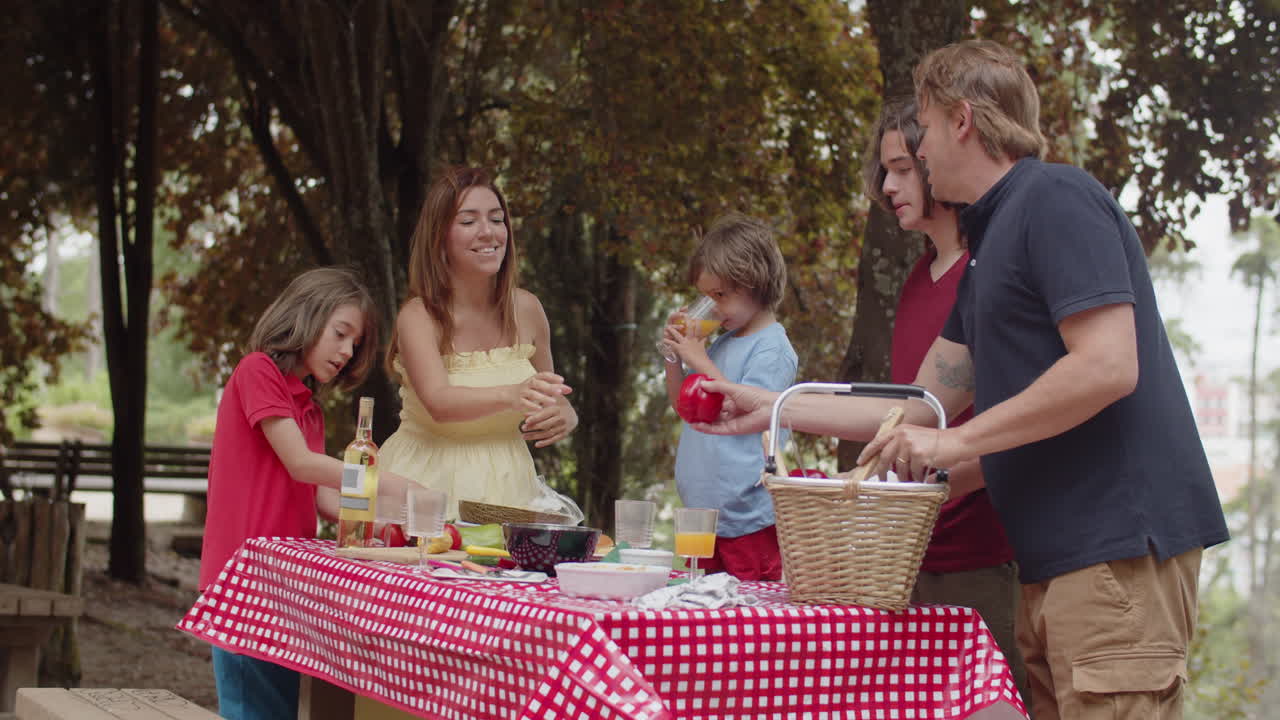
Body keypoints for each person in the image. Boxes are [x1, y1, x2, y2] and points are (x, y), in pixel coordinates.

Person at [696, 39, 1228, 719]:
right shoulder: (991, 247)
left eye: (924, 128)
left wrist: (956, 446)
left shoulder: (1055, 197)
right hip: (1055, 563)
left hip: (1116, 551)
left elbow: (1107, 364)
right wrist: (770, 407)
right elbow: (918, 409)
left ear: (962, 120)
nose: (918, 155)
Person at [864, 96, 1027, 704]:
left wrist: (941, 478)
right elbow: (906, 411)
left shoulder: (993, 272)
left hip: (983, 558)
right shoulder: (917, 278)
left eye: (904, 167)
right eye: (885, 170)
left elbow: (1023, 423)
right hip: (906, 556)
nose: (887, 185)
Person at [199, 266, 409, 720]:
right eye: (340, 333)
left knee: (277, 711)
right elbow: (302, 463)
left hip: (283, 586)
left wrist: (392, 521)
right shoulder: (258, 372)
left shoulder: (306, 409)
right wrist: (388, 480)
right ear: (306, 316)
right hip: (242, 581)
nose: (346, 351)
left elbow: (324, 498)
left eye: (355, 343)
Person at [380, 165, 578, 521]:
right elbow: (438, 402)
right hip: (424, 485)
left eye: (497, 219)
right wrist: (510, 394)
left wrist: (565, 415)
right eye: (468, 221)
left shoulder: (529, 308)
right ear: (439, 236)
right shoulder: (418, 315)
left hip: (511, 486)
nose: (488, 232)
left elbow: (552, 396)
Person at [662, 212, 798, 581]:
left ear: (755, 282)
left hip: (749, 518)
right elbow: (685, 409)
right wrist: (674, 357)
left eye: (721, 294)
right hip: (705, 516)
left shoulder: (772, 348)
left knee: (751, 621)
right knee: (702, 615)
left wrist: (699, 358)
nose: (713, 307)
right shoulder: (719, 345)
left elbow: (746, 406)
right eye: (706, 297)